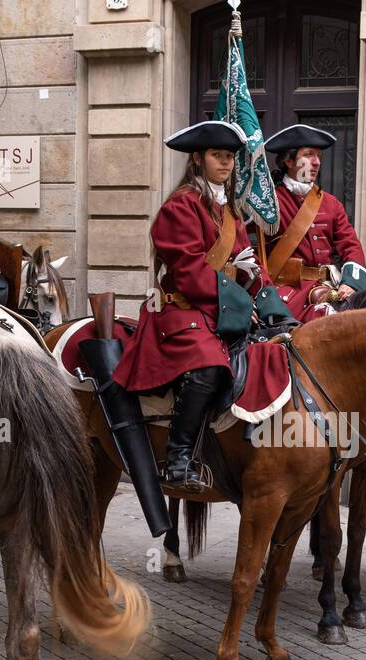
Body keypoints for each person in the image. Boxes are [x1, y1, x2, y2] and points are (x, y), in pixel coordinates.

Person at [111, 120, 275, 493]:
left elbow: (250, 265)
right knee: (208, 365)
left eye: (231, 156)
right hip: (182, 309)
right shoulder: (180, 206)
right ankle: (178, 458)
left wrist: (273, 308)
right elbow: (188, 272)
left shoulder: (231, 213)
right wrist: (236, 295)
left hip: (219, 308)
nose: (226, 163)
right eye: (218, 155)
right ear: (198, 159)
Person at [262, 124, 366, 321]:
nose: (316, 162)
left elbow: (351, 245)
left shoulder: (330, 203)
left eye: (318, 156)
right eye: (309, 155)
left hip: (328, 289)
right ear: (288, 160)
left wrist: (351, 284)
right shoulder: (267, 203)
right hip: (287, 294)